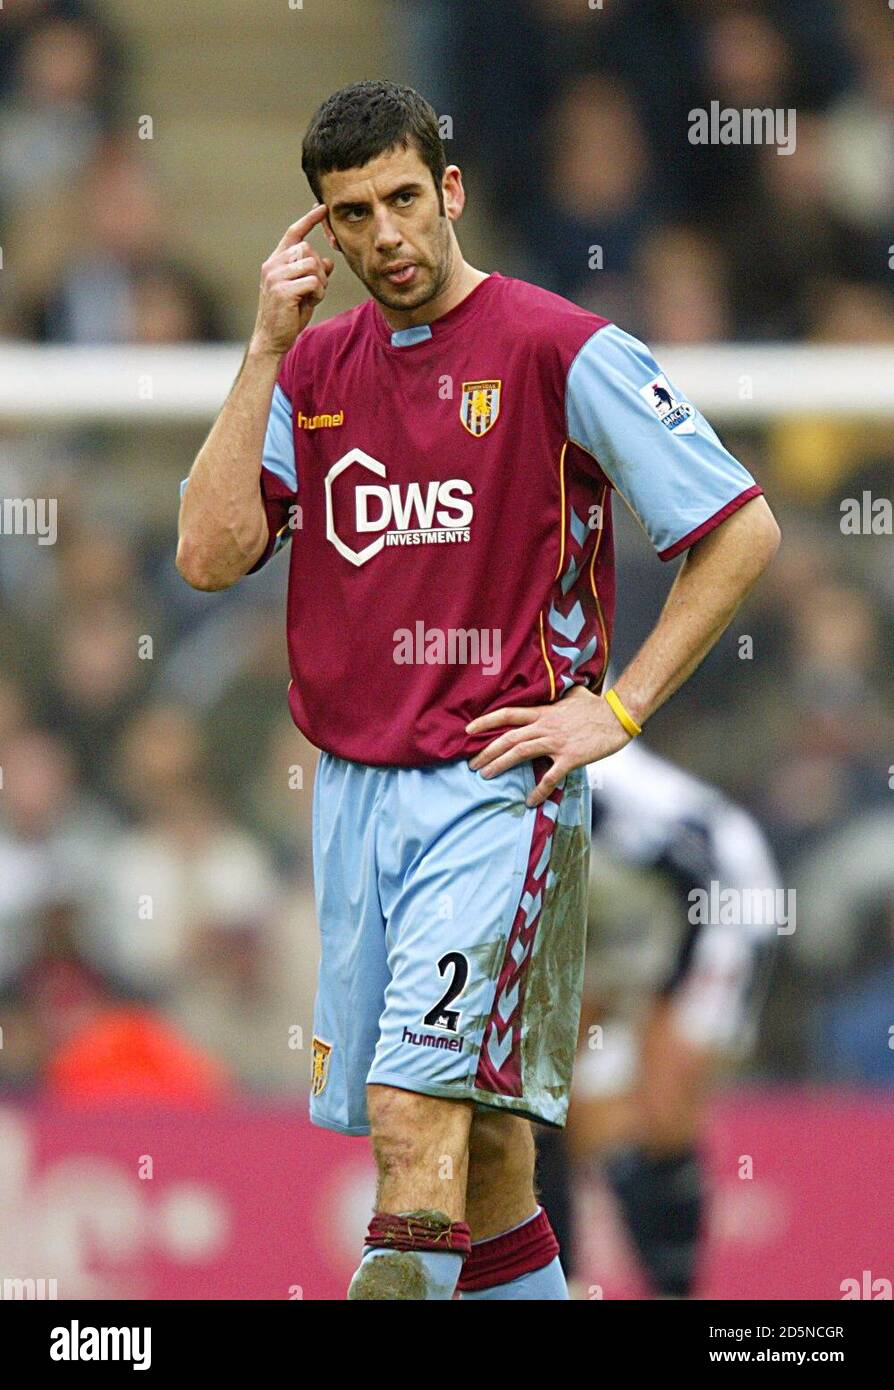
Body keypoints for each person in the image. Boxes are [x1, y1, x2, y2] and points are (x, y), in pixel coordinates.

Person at [176, 80, 780, 1300]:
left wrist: (616, 709)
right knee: (497, 1164)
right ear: (324, 235)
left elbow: (741, 529)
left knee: (412, 1118)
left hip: (497, 792)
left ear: (449, 191)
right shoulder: (320, 369)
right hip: (353, 797)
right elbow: (207, 553)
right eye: (354, 214)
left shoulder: (562, 347)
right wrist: (262, 350)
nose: (387, 234)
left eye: (405, 198)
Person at [537, 738, 780, 1298]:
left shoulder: (590, 785)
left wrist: (666, 1003)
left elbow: (698, 865)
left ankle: (675, 1288)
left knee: (662, 1100)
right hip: (620, 919)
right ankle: (564, 1284)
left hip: (719, 906)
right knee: (552, 1102)